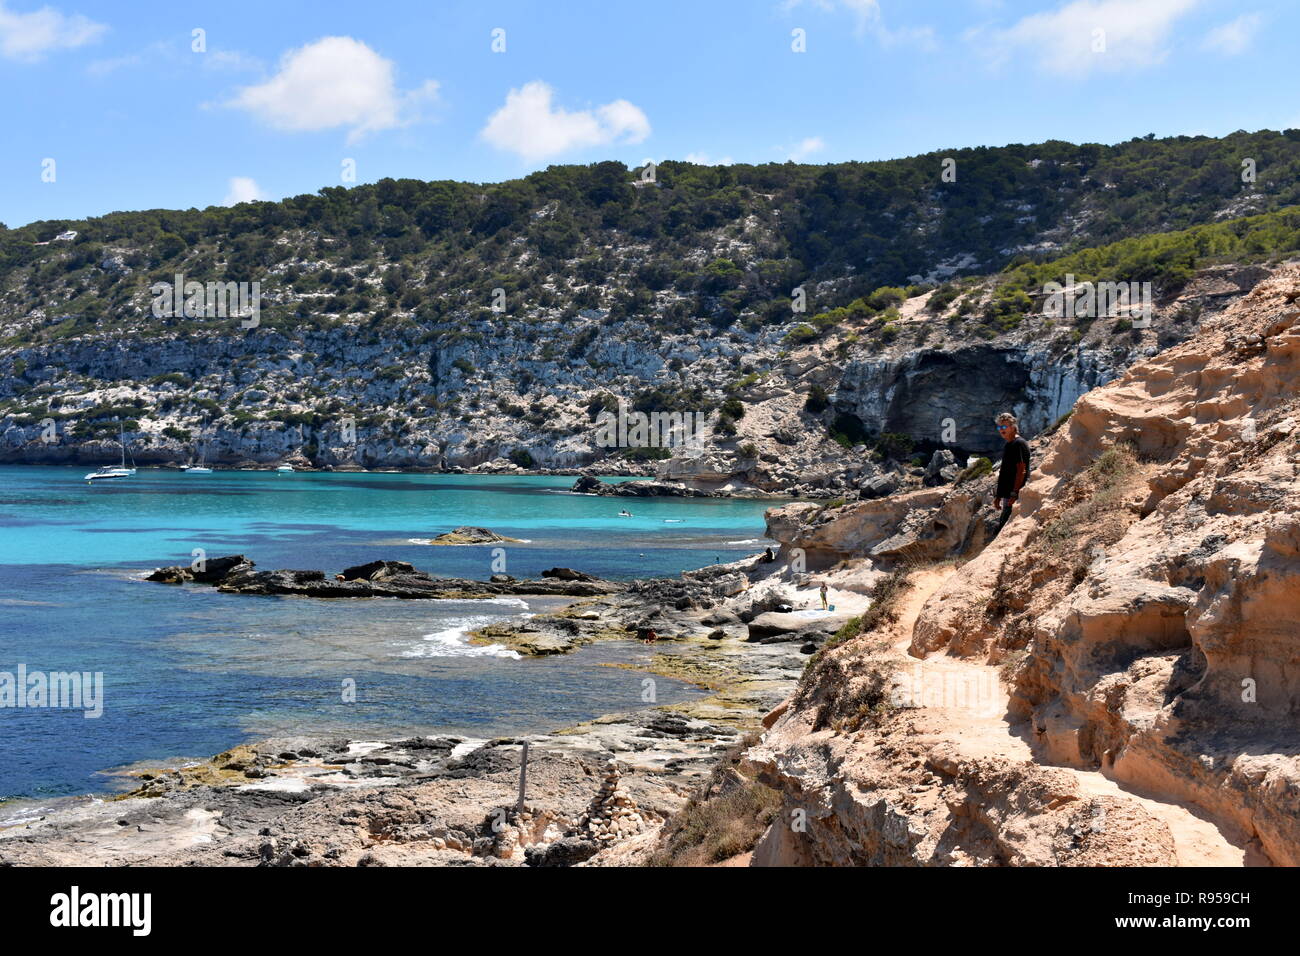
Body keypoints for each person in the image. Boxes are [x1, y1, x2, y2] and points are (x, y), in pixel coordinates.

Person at [992, 412, 1031, 538]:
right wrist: (998, 496)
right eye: (999, 428)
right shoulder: (1009, 444)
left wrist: (1015, 493)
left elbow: (1021, 470)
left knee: (1002, 529)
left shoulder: (1019, 444)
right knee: (1002, 526)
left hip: (1014, 494)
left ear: (1013, 427)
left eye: (1004, 427)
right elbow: (1005, 473)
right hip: (1007, 494)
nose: (1001, 430)